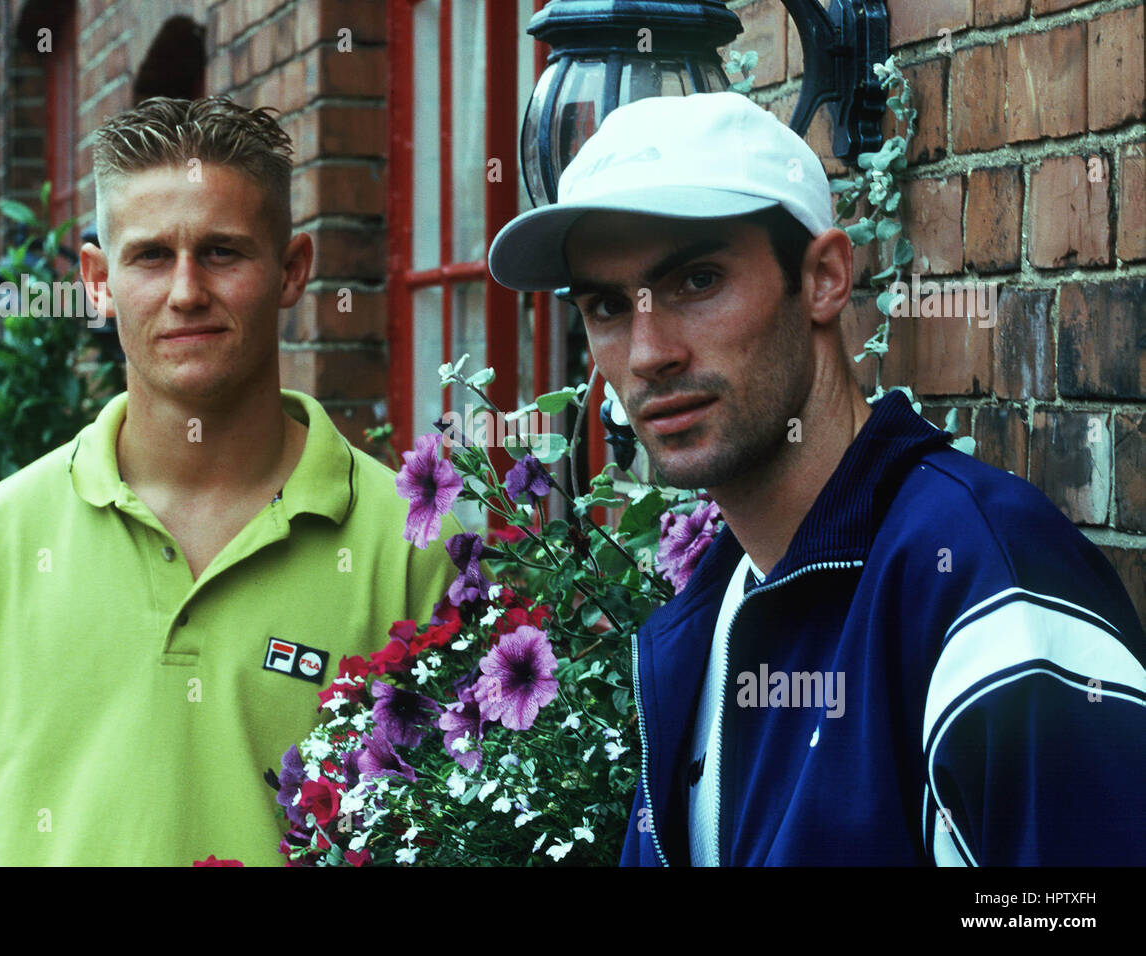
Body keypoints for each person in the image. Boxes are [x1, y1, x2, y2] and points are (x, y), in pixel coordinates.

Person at [488, 91, 1146, 866]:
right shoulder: (711, 615)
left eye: (697, 282)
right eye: (605, 305)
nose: (646, 354)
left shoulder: (983, 584)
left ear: (826, 279)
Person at [0, 97, 460, 866]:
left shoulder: (415, 549)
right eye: (151, 256)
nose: (186, 290)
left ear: (291, 270)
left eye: (222, 252)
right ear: (97, 279)